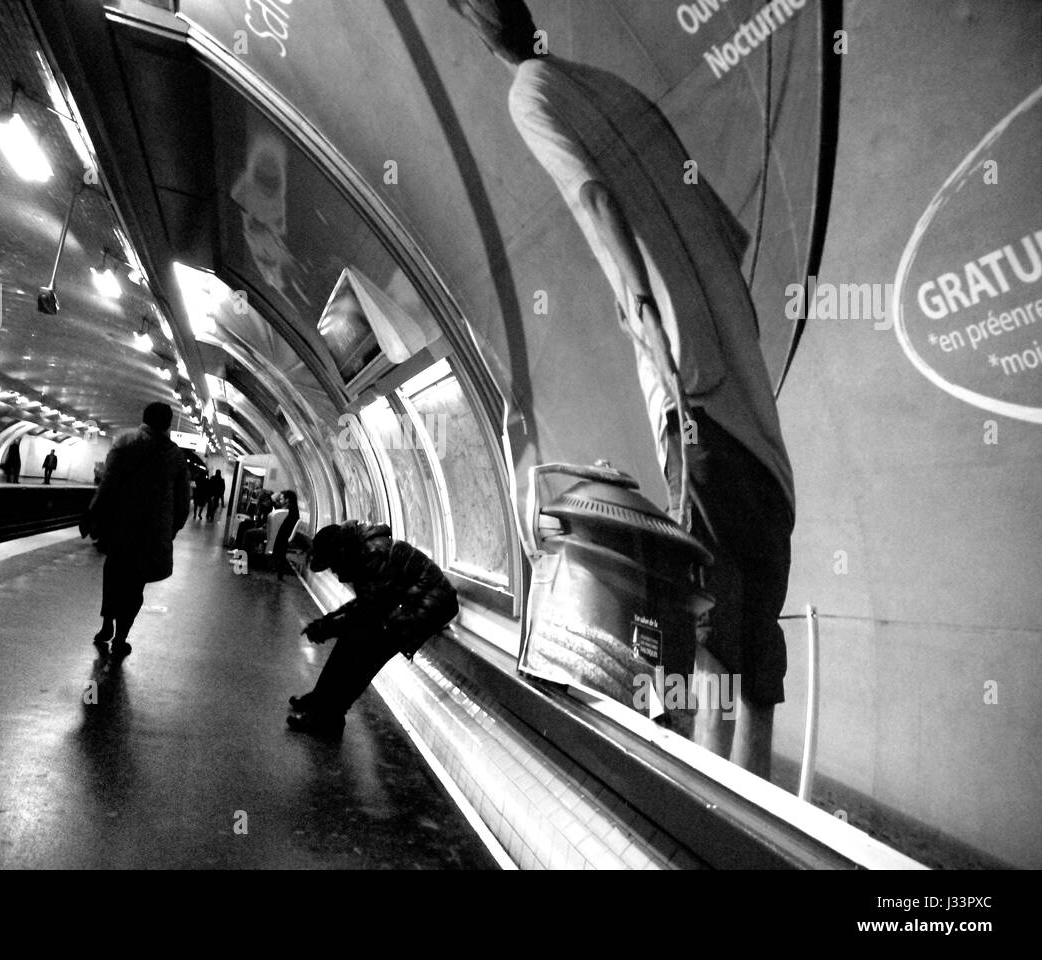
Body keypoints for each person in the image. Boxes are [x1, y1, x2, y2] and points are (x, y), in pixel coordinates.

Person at [452, 0, 795, 779]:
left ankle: (713, 821)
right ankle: (755, 821)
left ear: (483, 26)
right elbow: (727, 229)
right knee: (754, 657)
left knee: (706, 646)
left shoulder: (530, 92)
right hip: (760, 433)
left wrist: (642, 313)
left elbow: (595, 201)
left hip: (695, 399)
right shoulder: (622, 92)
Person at [287, 520, 459, 738]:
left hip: (428, 606)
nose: (334, 571)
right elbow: (365, 603)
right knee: (351, 642)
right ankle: (320, 700)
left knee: (363, 656)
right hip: (409, 601)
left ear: (340, 552)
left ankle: (329, 718)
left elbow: (368, 611)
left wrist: (326, 627)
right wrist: (327, 622)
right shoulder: (360, 550)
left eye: (332, 564)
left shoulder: (372, 555)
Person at [81, 402, 190, 660]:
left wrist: (93, 514)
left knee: (114, 576)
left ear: (144, 417)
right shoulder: (175, 455)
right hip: (152, 534)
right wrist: (172, 528)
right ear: (168, 423)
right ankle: (121, 637)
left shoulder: (124, 442)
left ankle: (107, 623)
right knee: (135, 586)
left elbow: (107, 485)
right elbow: (183, 500)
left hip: (120, 527)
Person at [268, 490, 300, 581]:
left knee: (249, 533)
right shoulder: (293, 511)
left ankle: (243, 560)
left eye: (282, 499)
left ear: (287, 500)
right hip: (283, 536)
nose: (280, 500)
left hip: (279, 537)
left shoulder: (286, 512)